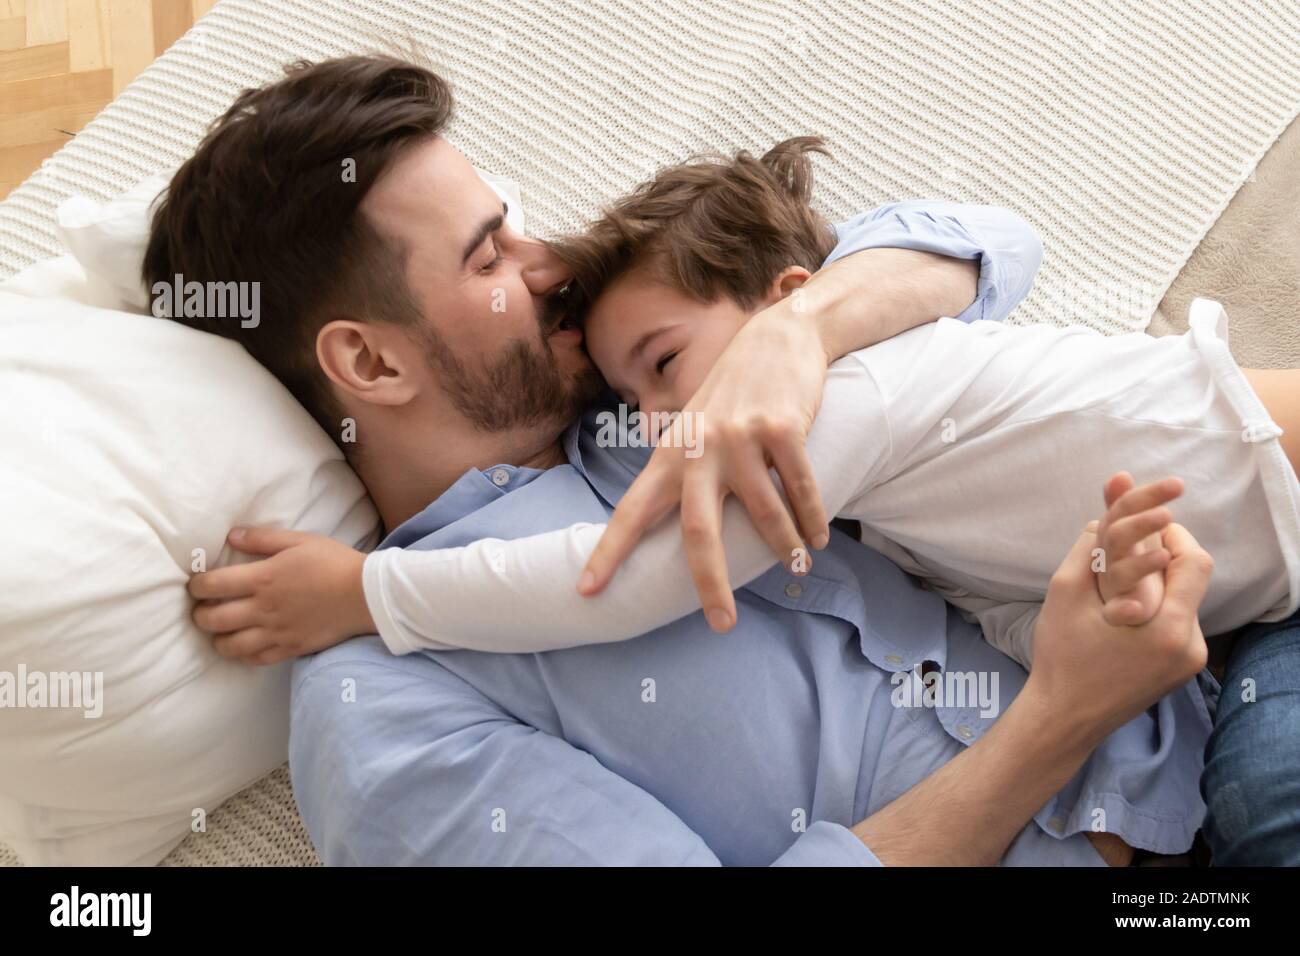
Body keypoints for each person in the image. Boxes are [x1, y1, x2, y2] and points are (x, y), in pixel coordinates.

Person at [156, 55, 1220, 865]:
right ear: (370, 362)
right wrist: (1060, 718)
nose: (551, 262)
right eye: (490, 252)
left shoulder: (645, 384)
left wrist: (799, 334)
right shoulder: (384, 711)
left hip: (1225, 673)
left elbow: (988, 247)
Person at [192, 138, 1298, 677]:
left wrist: (366, 591)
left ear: (780, 298)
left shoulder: (845, 392)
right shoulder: (859, 496)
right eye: (632, 393)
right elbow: (995, 601)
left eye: (666, 365)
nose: (661, 424)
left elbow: (629, 579)